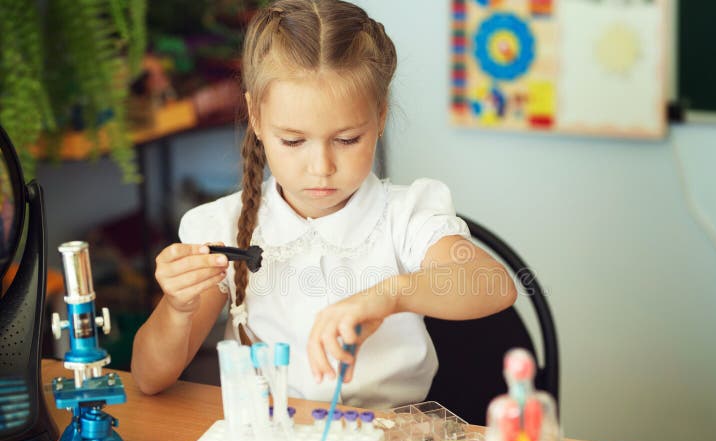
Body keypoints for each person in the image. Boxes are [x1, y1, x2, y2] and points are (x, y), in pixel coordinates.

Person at [132, 0, 517, 408]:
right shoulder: (222, 227)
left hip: (390, 437)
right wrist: (177, 307)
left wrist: (389, 295)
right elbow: (150, 377)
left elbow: (495, 286)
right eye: (294, 141)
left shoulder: (408, 216)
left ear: (380, 117)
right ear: (256, 118)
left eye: (347, 139)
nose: (321, 167)